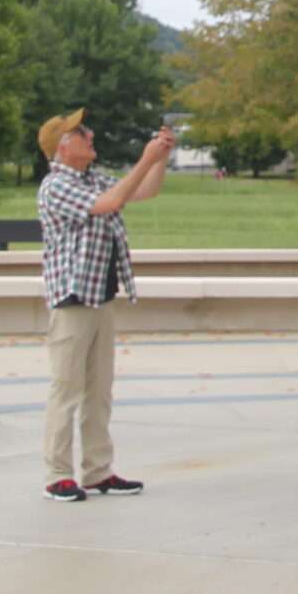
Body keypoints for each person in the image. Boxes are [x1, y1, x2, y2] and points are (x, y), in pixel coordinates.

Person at [36, 107, 177, 502]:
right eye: (80, 131)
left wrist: (161, 156)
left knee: (99, 390)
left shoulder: (92, 179)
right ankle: (57, 475)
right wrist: (146, 157)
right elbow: (112, 203)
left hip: (100, 295)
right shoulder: (55, 186)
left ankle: (98, 472)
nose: (90, 133)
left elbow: (144, 189)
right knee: (66, 389)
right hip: (72, 297)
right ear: (62, 147)